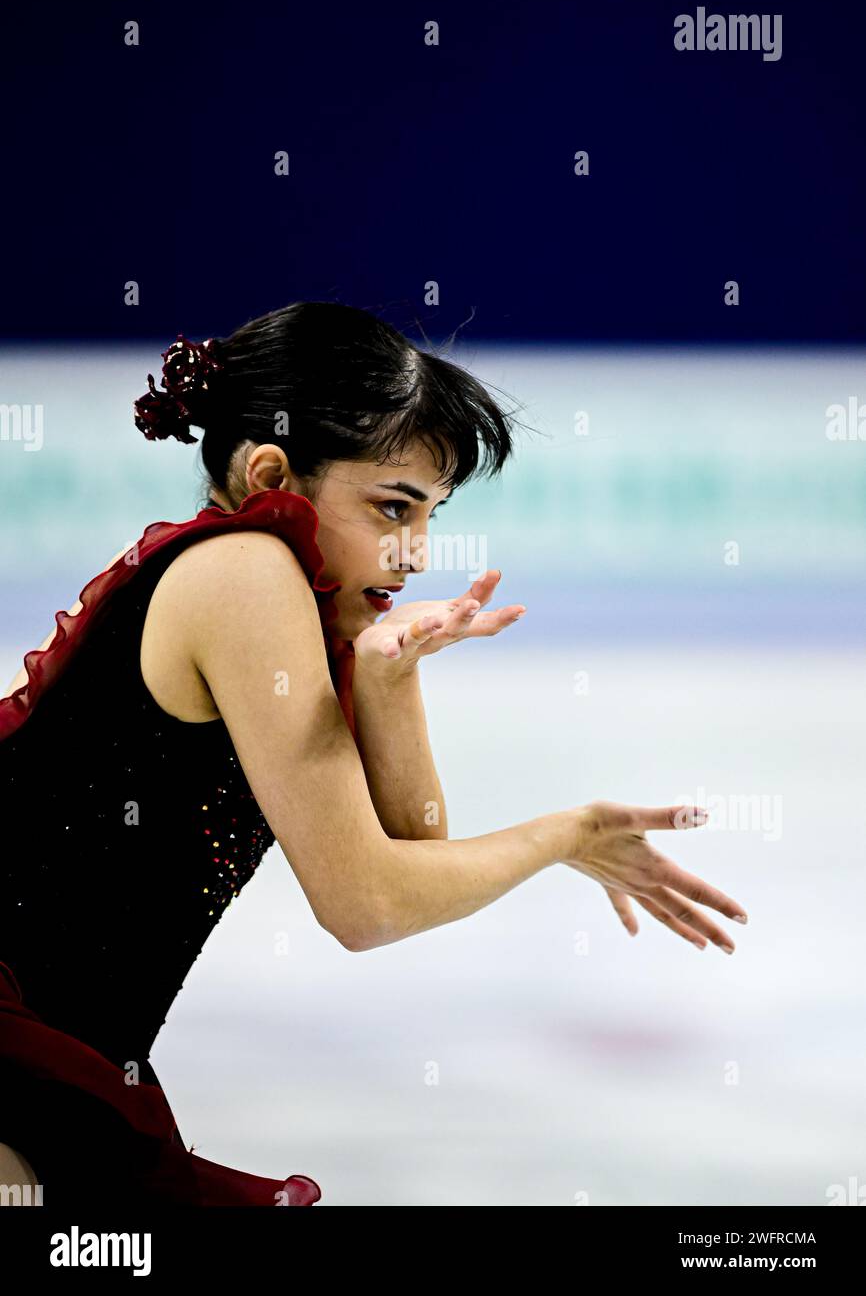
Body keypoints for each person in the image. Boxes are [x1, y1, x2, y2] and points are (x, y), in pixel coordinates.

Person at [0, 301, 747, 1206]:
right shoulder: (245, 571)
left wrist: (390, 691)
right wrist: (567, 834)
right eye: (393, 508)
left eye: (431, 515)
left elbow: (418, 862)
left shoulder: (271, 596)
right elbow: (368, 906)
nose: (416, 553)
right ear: (272, 470)